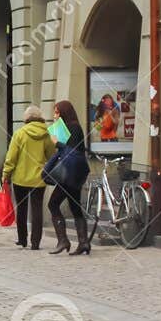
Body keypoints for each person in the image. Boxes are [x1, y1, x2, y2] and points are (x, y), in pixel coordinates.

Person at [1, 105, 57, 251]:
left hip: (20, 178)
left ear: (26, 118)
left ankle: (22, 239)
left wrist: (6, 174)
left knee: (22, 208)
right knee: (37, 209)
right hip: (39, 178)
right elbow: (51, 156)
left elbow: (11, 157)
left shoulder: (20, 134)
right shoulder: (47, 134)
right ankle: (36, 242)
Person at [46, 100, 91, 256]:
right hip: (74, 173)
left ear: (64, 113)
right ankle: (84, 242)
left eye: (57, 112)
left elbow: (70, 151)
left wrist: (57, 142)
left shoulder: (73, 127)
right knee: (75, 206)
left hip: (70, 173)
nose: (55, 115)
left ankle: (63, 240)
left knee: (53, 204)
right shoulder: (70, 127)